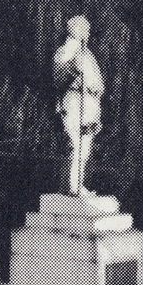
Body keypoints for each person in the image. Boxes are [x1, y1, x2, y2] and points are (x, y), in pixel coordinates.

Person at [54, 15, 104, 197]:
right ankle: (72, 186)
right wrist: (74, 69)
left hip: (89, 103)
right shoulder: (69, 48)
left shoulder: (86, 53)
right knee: (76, 144)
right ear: (77, 30)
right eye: (85, 29)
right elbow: (59, 76)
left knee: (85, 146)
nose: (88, 33)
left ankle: (77, 184)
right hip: (76, 100)